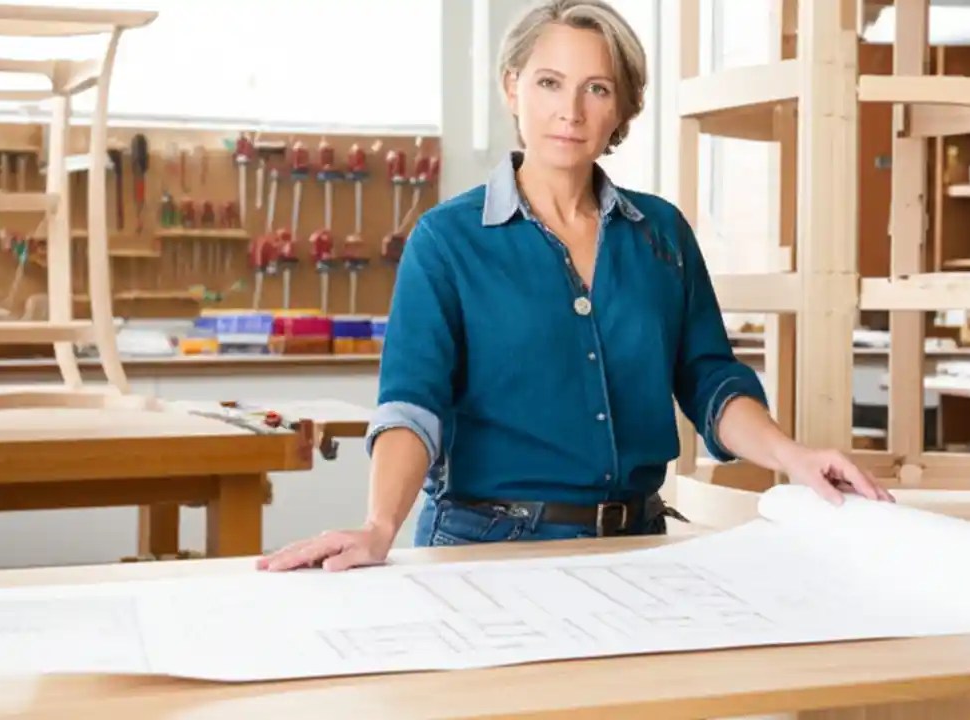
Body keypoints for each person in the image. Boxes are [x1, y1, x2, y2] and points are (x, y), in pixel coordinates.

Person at [259, 0, 892, 573]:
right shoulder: (446, 241)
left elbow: (709, 379)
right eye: (549, 83)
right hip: (484, 548)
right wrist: (379, 527)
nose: (570, 110)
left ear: (621, 107)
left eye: (596, 88)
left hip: (639, 546)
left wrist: (794, 456)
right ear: (512, 88)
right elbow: (411, 406)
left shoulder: (661, 234)